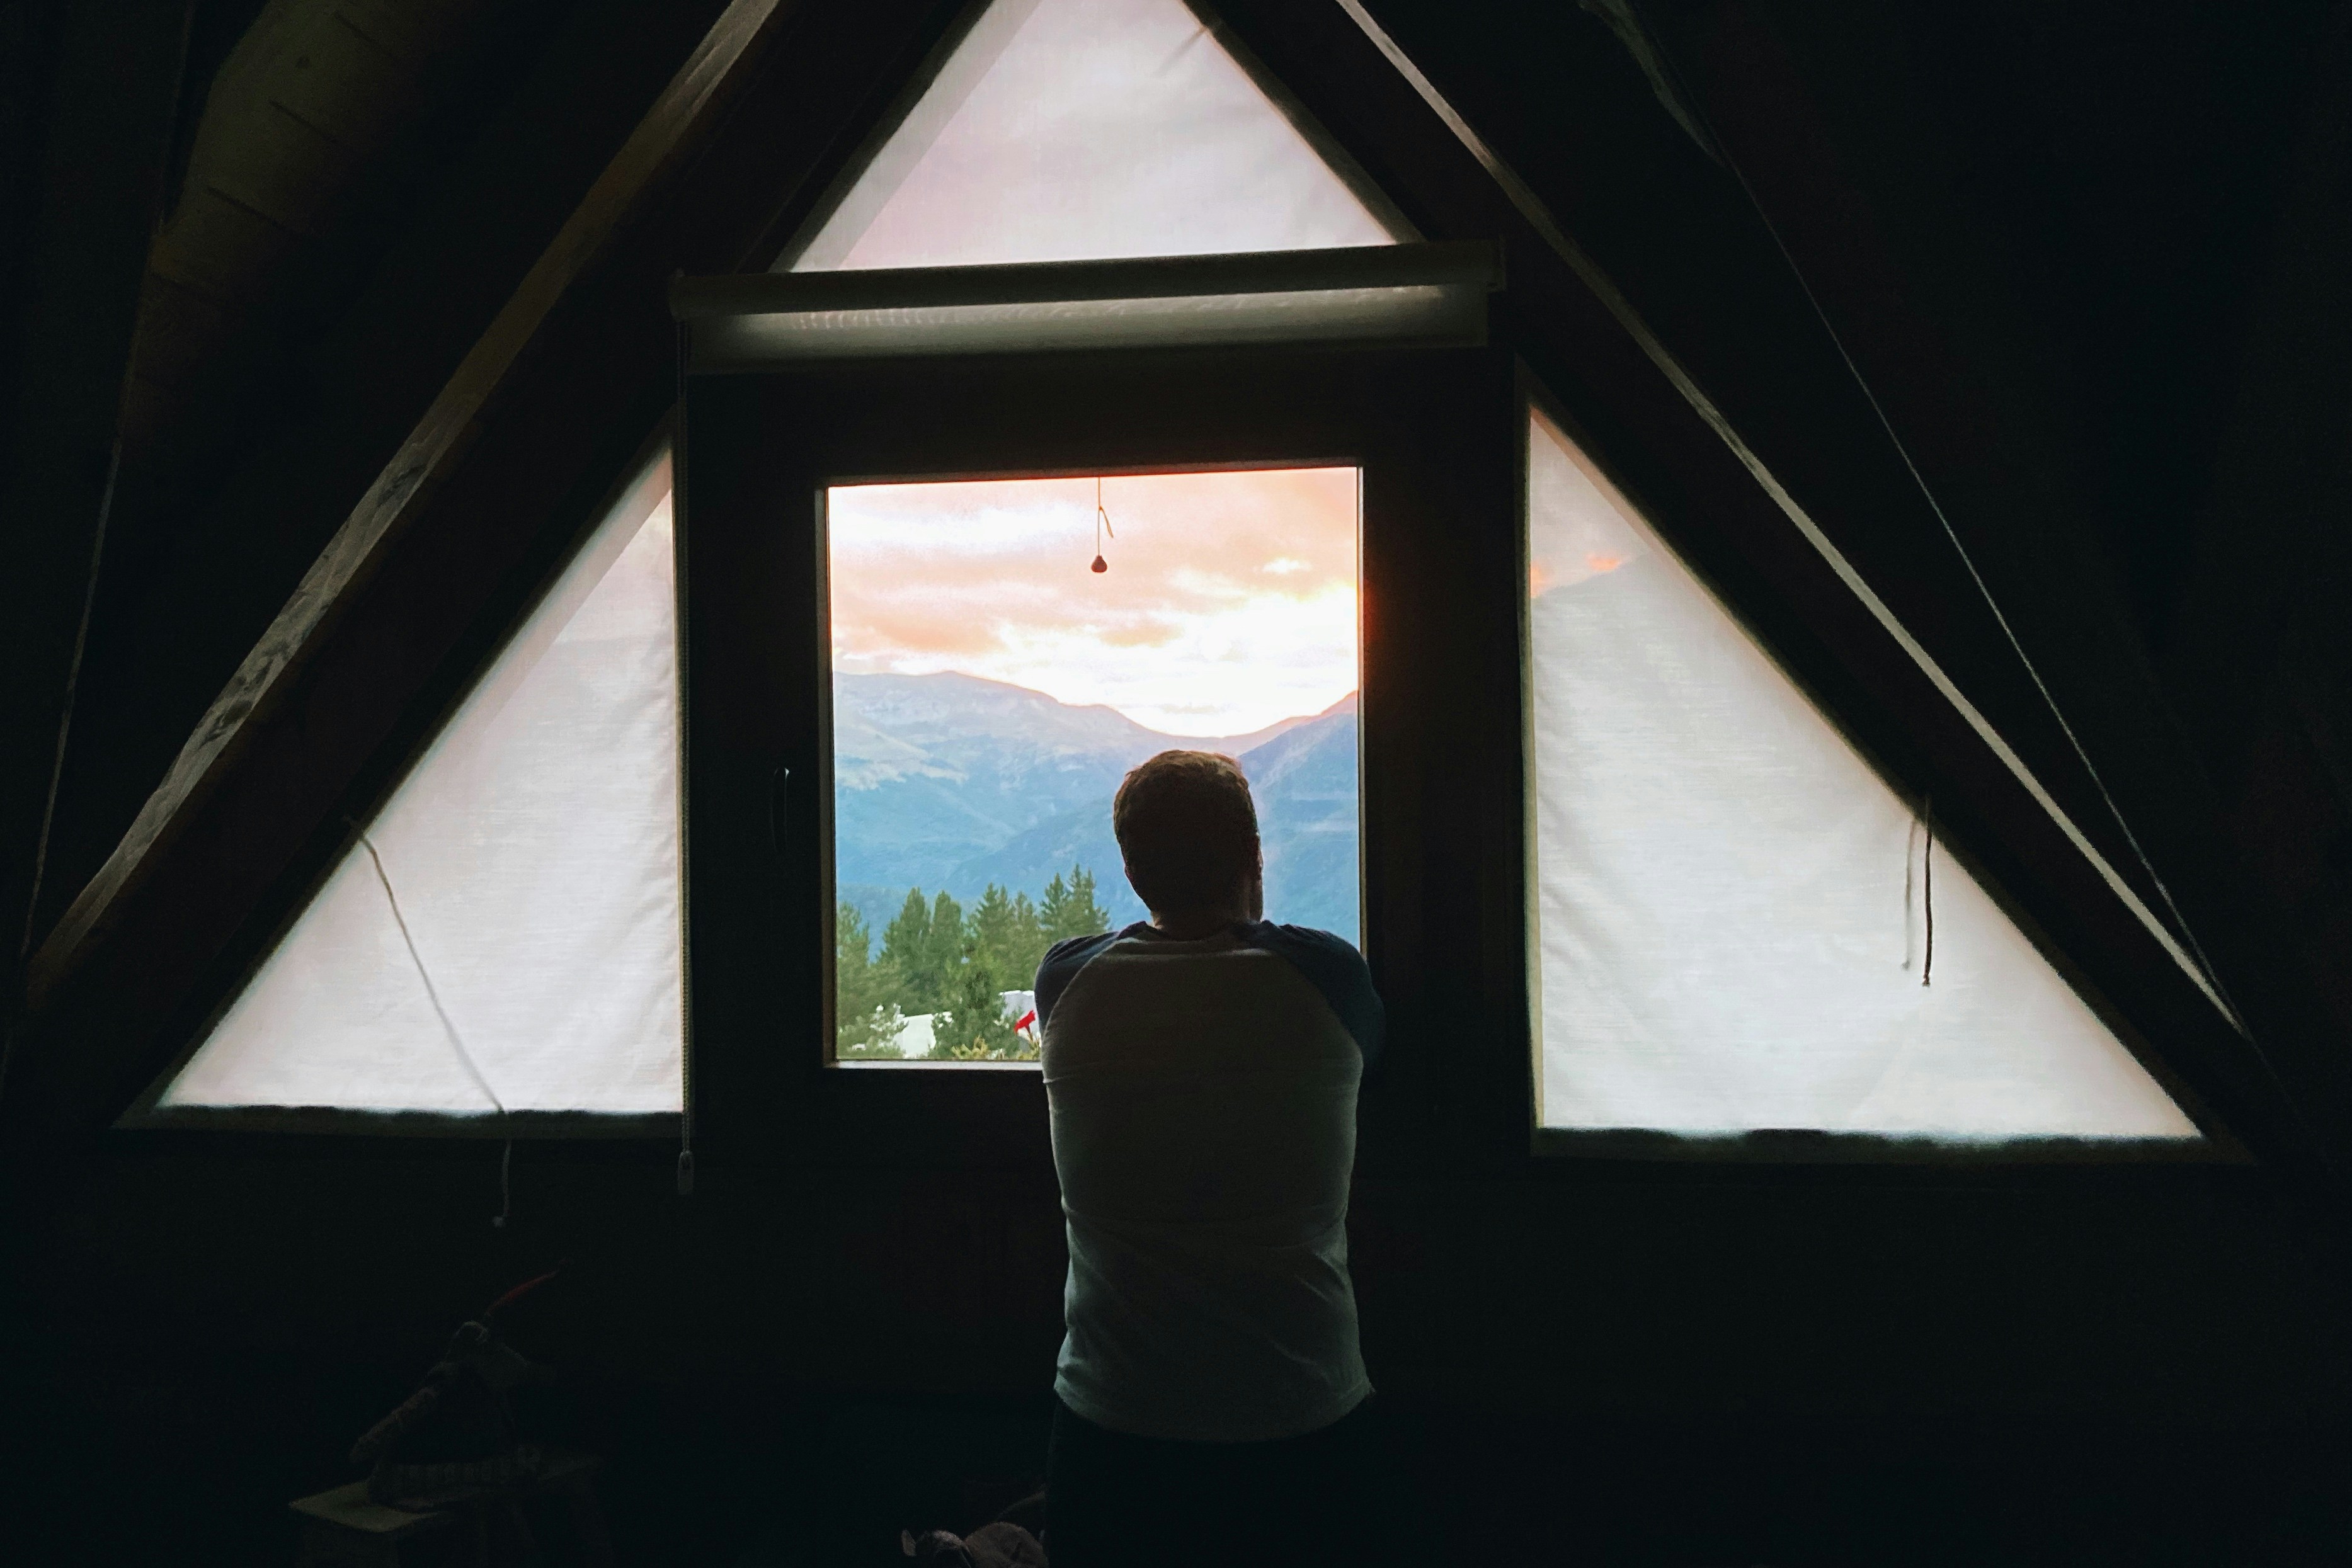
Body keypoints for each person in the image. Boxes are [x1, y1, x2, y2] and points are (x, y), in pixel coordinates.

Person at [1032, 750, 1393, 1567]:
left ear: (1131, 871)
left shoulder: (1066, 982)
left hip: (1111, 1426)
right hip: (1303, 1417)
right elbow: (1374, 1056)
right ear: (1253, 856)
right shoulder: (1328, 977)